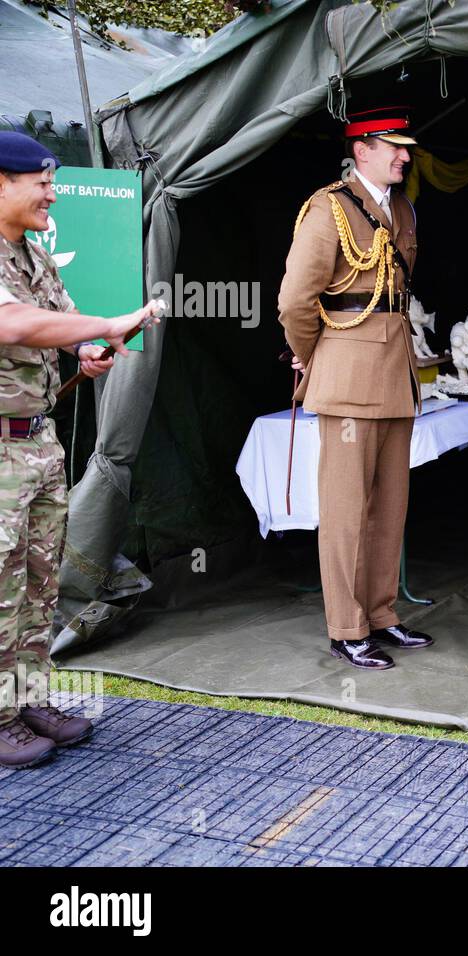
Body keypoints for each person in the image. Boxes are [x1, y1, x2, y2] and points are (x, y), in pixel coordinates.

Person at [0, 131, 160, 769]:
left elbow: (55, 318)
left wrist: (83, 351)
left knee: (38, 583)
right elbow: (11, 323)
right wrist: (104, 325)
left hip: (36, 443)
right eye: (40, 182)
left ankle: (25, 699)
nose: (52, 193)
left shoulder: (33, 253)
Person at [278, 107, 431, 671]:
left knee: (389, 508)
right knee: (346, 510)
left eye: (406, 146)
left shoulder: (404, 209)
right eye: (393, 146)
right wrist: (314, 354)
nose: (405, 156)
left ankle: (382, 613)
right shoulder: (329, 207)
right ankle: (346, 627)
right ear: (361, 149)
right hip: (346, 376)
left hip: (395, 374)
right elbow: (296, 299)